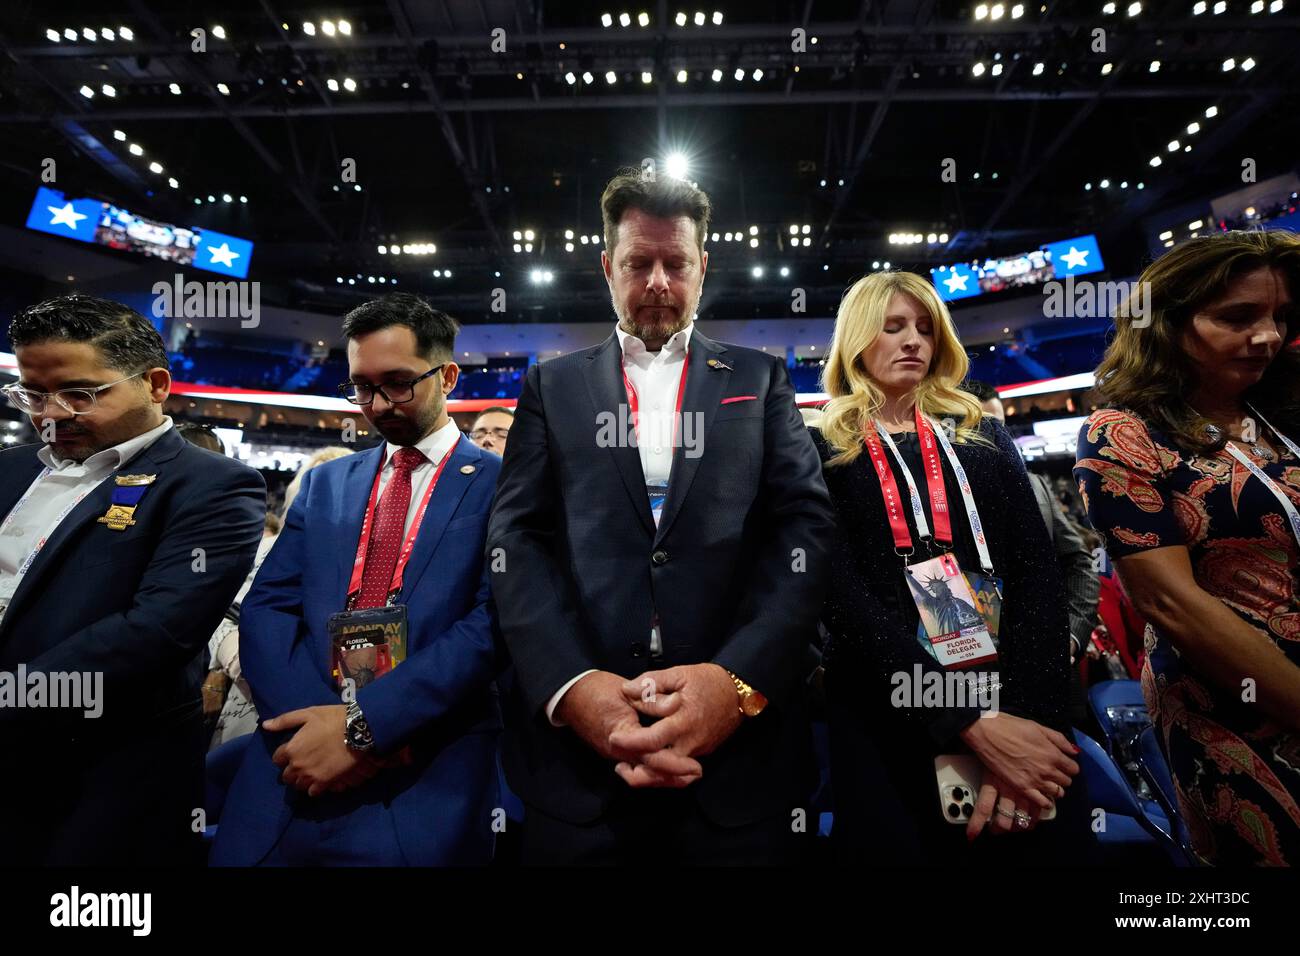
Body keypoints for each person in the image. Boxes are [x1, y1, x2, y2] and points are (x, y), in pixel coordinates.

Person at [487, 167, 834, 865]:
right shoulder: (550, 386)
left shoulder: (761, 379)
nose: (655, 282)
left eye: (674, 264)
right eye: (636, 262)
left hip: (740, 767)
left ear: (702, 267)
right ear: (605, 267)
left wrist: (734, 683)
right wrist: (571, 685)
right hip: (578, 769)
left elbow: (806, 532)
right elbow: (516, 540)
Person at [211, 294, 503, 866]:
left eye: (396, 383)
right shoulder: (326, 484)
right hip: (296, 756)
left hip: (426, 764)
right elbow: (269, 608)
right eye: (361, 387)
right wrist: (318, 727)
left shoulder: (505, 481)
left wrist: (365, 729)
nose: (376, 404)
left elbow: (494, 621)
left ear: (447, 375)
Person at [812, 272, 1088, 865]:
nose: (913, 340)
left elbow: (1038, 577)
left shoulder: (983, 435)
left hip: (1013, 697)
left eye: (924, 328)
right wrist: (966, 721)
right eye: (892, 327)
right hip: (884, 710)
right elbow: (841, 600)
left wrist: (1025, 729)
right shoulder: (823, 449)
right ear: (857, 339)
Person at [0, 294, 265, 865]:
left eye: (79, 393)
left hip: (97, 774)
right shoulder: (10, 467)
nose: (51, 413)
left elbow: (158, 629)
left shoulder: (214, 485)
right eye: (33, 394)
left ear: (156, 384)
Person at [1075, 230, 1300, 865]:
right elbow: (1172, 604)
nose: (1269, 337)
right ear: (1168, 324)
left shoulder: (1287, 406)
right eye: (1237, 317)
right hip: (1235, 710)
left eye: (1281, 316)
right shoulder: (1123, 432)